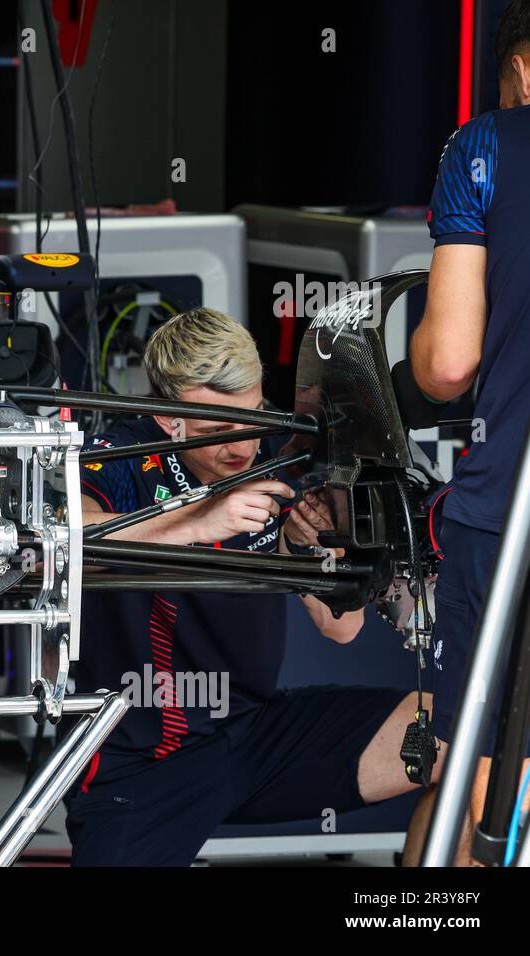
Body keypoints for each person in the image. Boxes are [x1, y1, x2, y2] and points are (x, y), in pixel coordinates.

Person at [65, 307, 431, 866]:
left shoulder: (286, 456)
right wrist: (198, 523)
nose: (241, 448)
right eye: (216, 430)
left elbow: (342, 629)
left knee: (457, 736)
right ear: (170, 419)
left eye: (254, 419)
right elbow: (68, 541)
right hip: (144, 758)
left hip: (256, 734)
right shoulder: (121, 456)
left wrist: (305, 547)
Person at [401, 0, 530, 867]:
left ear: (520, 66)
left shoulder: (485, 147)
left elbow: (446, 363)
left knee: (473, 777)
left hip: (510, 507)